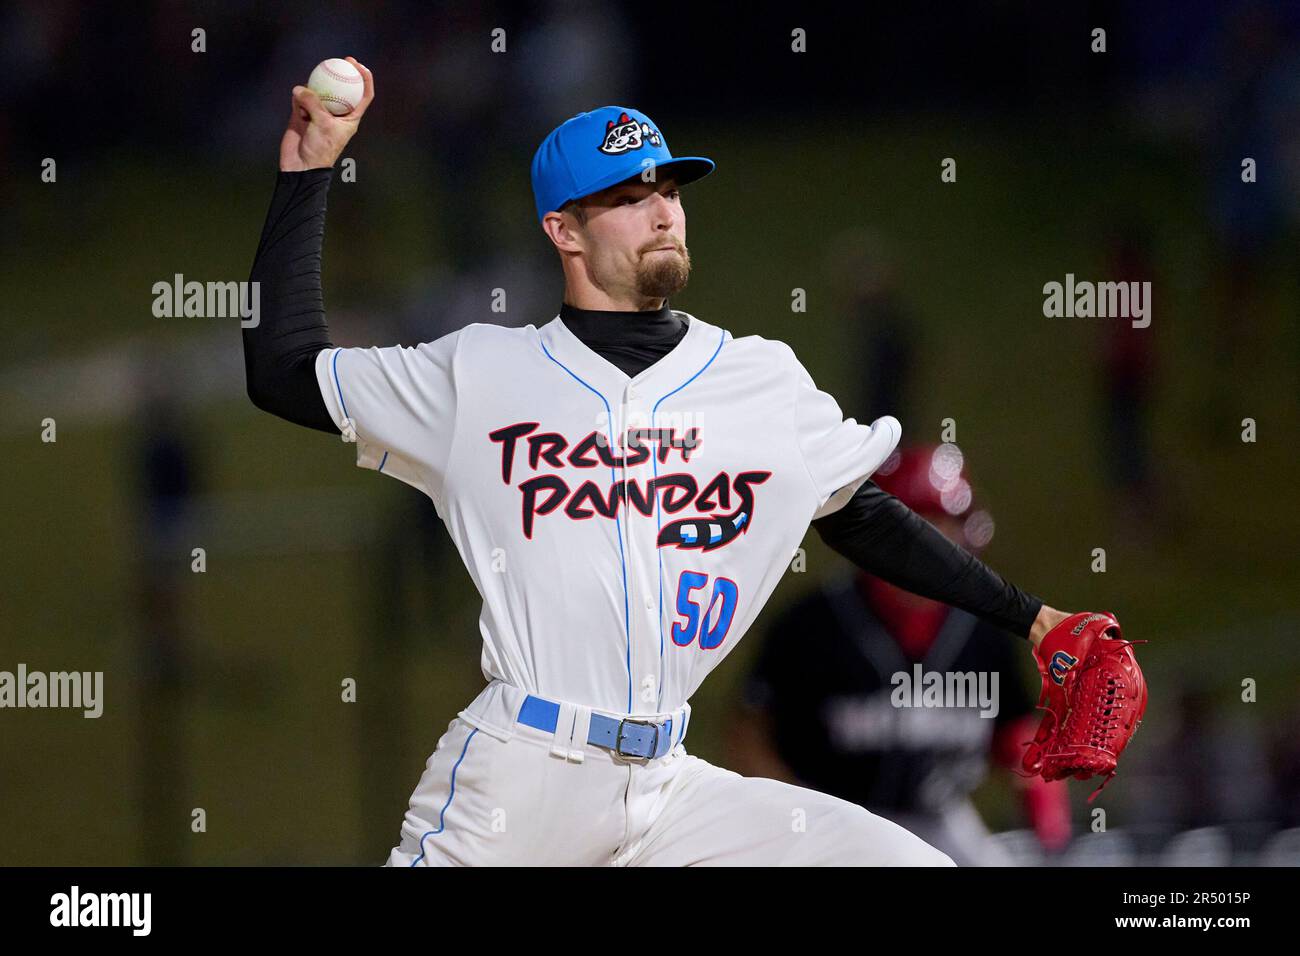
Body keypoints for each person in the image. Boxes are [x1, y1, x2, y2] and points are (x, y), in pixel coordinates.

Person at [243, 58, 1086, 866]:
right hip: (527, 773)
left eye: (670, 188)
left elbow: (860, 513)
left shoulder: (760, 380)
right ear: (562, 230)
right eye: (627, 195)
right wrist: (308, 169)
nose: (662, 212)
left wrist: (1036, 620)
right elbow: (284, 371)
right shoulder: (478, 375)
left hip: (670, 788)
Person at [730, 445, 1072, 865]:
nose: (934, 549)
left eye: (945, 529)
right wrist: (792, 819)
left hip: (940, 818)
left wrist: (1050, 825)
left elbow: (1017, 737)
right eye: (919, 530)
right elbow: (750, 736)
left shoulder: (982, 632)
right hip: (834, 816)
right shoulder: (813, 626)